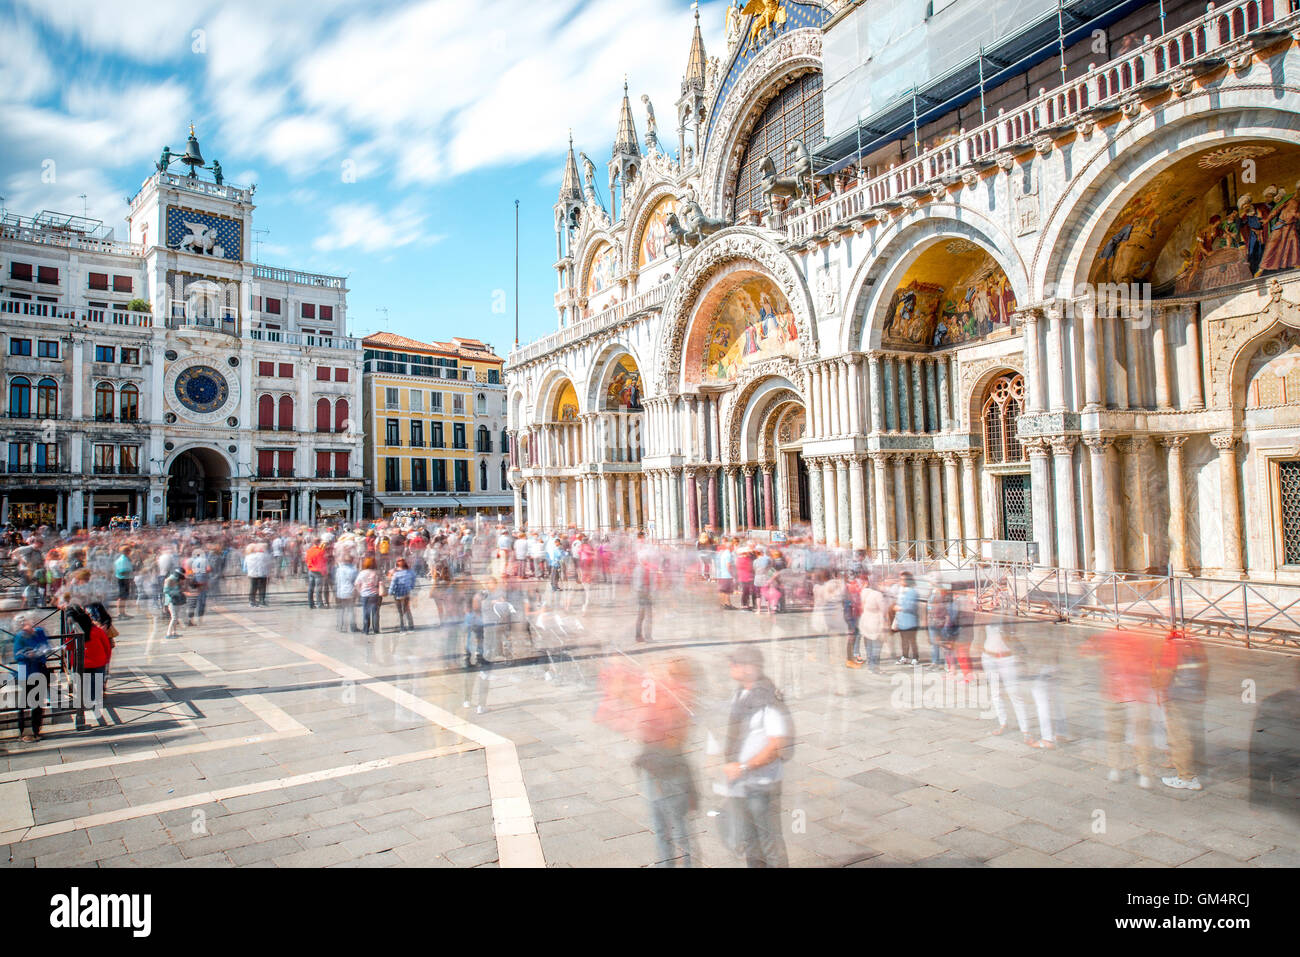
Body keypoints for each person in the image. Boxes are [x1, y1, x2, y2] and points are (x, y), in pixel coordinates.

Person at [720, 645, 790, 868]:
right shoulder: (742, 693)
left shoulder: (768, 699)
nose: (731, 666)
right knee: (751, 843)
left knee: (770, 845)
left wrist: (742, 768)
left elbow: (777, 746)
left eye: (736, 663)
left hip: (762, 785)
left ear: (750, 668)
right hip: (742, 784)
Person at [1155, 628, 1208, 791]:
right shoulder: (1194, 641)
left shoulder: (1172, 644)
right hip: (1194, 694)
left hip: (1178, 696)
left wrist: (1162, 692)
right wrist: (1201, 689)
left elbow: (1167, 672)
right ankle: (1195, 765)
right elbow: (1205, 667)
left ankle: (1186, 777)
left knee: (1179, 736)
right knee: (1194, 732)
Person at [12, 612, 52, 742]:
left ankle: (36, 730)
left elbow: (47, 646)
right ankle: (23, 731)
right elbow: (17, 656)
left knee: (38, 702)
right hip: (26, 672)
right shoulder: (20, 636)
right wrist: (27, 655)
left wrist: (40, 652)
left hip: (39, 669)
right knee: (24, 702)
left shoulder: (39, 632)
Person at [891, 572, 921, 664]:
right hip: (902, 620)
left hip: (910, 620)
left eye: (902, 579)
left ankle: (915, 658)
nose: (901, 581)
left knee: (912, 640)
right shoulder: (901, 590)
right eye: (900, 579)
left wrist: (900, 608)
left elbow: (912, 606)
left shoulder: (912, 591)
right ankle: (904, 656)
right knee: (904, 640)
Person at [388, 558, 416, 633]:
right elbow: (413, 578)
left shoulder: (396, 572)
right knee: (405, 610)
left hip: (398, 593)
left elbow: (393, 582)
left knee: (402, 611)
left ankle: (404, 627)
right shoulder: (409, 571)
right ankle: (409, 626)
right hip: (405, 592)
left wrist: (390, 592)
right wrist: (411, 586)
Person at [333, 554, 359, 633]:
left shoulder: (339, 570)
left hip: (340, 591)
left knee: (341, 610)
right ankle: (352, 627)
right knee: (350, 610)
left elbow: (336, 580)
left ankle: (340, 626)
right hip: (350, 591)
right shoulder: (354, 570)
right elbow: (356, 581)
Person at [306, 538, 329, 609]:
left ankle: (311, 604)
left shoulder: (309, 550)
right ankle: (319, 604)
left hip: (310, 570)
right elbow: (323, 562)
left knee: (310, 588)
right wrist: (325, 572)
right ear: (319, 543)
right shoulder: (320, 551)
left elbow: (307, 560)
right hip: (318, 571)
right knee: (318, 589)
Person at [112, 546, 133, 619]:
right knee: (122, 597)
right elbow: (122, 571)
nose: (129, 552)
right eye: (128, 551)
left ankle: (122, 612)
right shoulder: (123, 560)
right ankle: (121, 613)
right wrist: (131, 573)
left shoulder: (125, 559)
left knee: (123, 597)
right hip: (123, 579)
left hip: (124, 578)